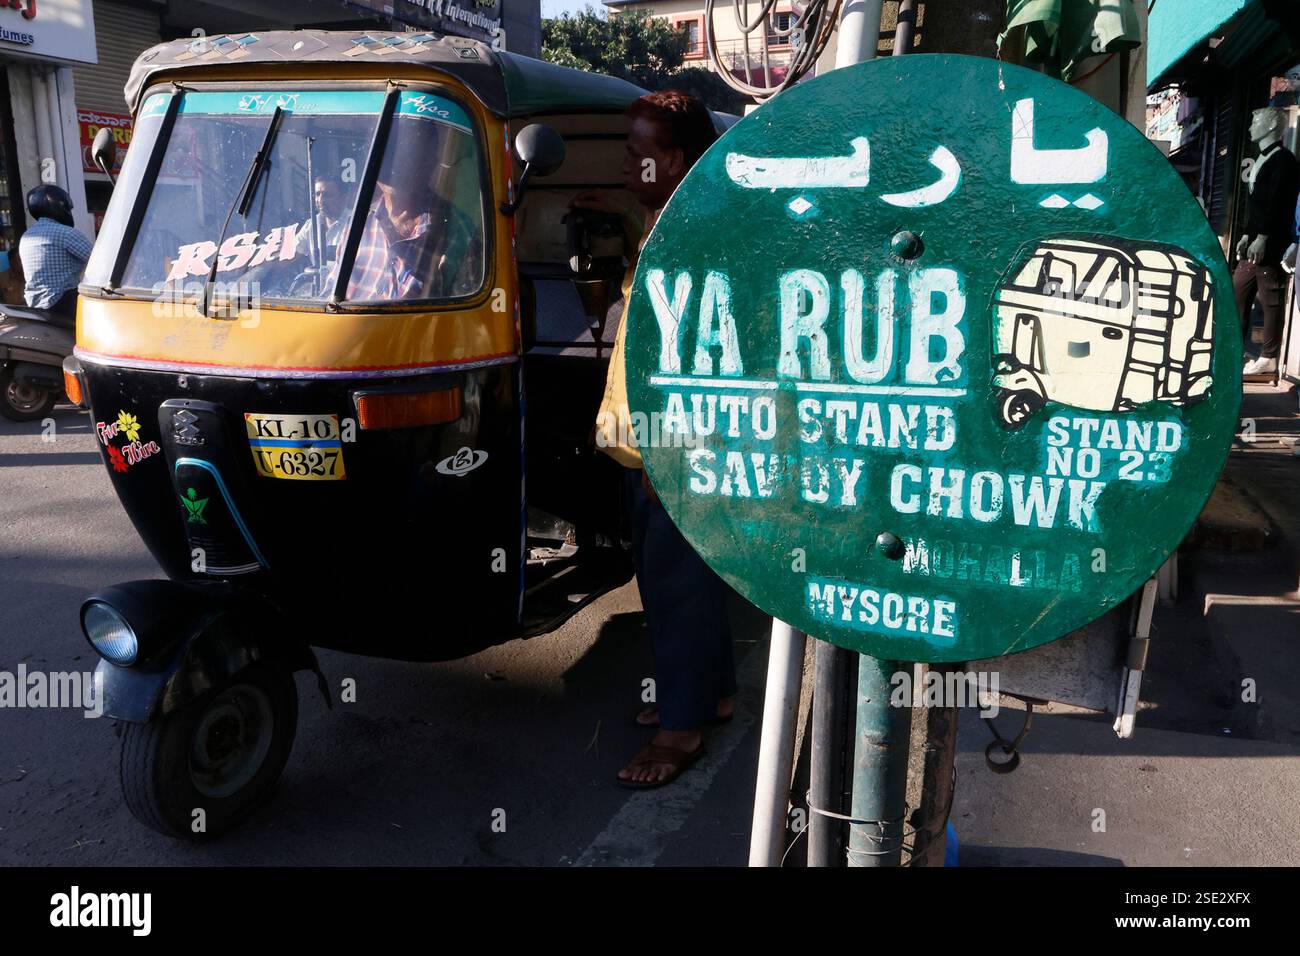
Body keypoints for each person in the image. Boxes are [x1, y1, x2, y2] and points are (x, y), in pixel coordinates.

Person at [588, 91, 735, 789]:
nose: (626, 164)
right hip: (647, 437)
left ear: (674, 160)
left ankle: (681, 729)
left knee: (678, 588)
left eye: (637, 154)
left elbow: (692, 353)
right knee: (687, 580)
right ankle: (713, 694)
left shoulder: (694, 232)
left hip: (670, 443)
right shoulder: (664, 220)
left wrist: (667, 449)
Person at [1234, 107, 1299, 376]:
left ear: (1272, 125)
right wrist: (1248, 233)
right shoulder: (1262, 159)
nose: (1250, 128)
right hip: (1255, 241)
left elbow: (1277, 203)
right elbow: (1257, 205)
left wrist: (1262, 237)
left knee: (1270, 297)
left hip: (1271, 243)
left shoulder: (1284, 160)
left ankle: (1268, 356)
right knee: (1237, 291)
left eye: (1255, 122)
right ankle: (1233, 348)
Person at [18, 185, 93, 318]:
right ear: (56, 206)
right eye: (67, 208)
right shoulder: (66, 233)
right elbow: (100, 262)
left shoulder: (27, 236)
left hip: (36, 304)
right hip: (62, 303)